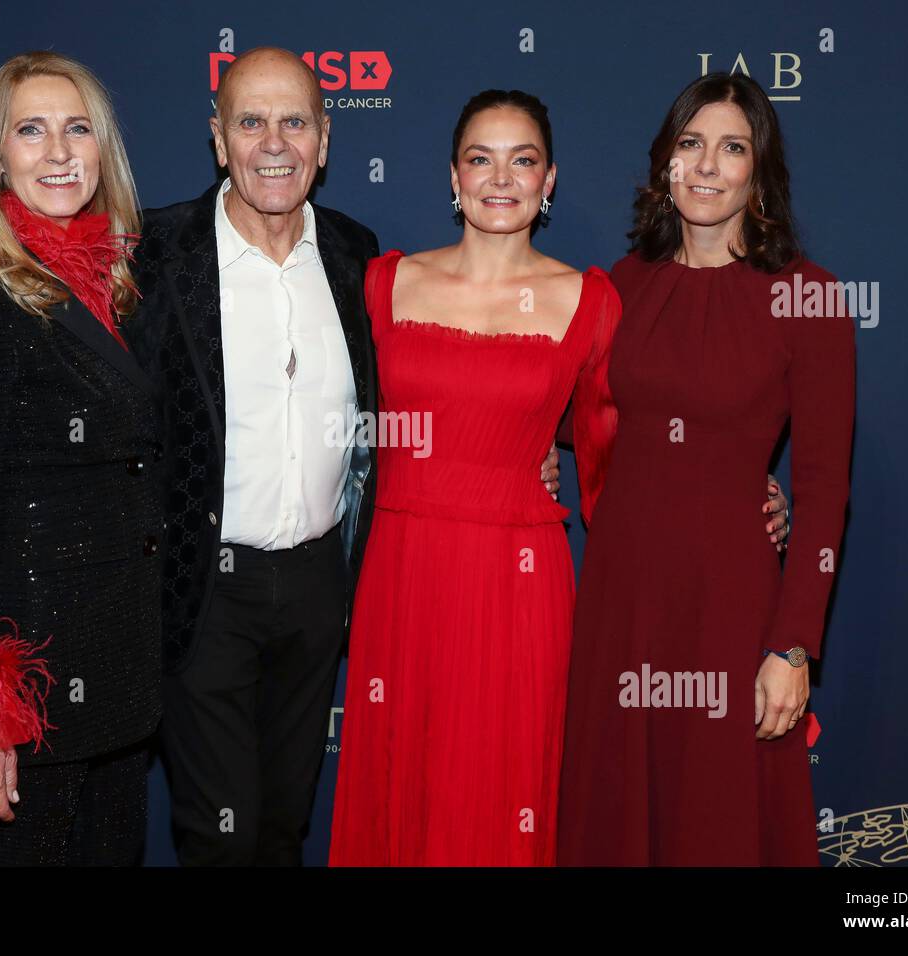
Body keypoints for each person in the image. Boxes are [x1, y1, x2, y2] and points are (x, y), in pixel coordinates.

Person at [123, 48, 563, 866]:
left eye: (294, 121)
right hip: (202, 586)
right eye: (251, 122)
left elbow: (459, 387)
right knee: (220, 833)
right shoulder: (153, 257)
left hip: (325, 586)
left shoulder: (362, 262)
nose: (273, 143)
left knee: (286, 826)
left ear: (325, 141)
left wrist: (533, 454)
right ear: (219, 139)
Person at [328, 89, 789, 866]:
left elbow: (625, 442)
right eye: (480, 158)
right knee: (398, 783)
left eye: (523, 160)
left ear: (550, 183)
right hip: (402, 575)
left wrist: (741, 487)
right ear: (453, 175)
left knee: (504, 791)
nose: (499, 178)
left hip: (520, 584)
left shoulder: (594, 300)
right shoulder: (381, 284)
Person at [557, 72, 855, 866]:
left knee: (718, 813)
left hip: (732, 601)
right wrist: (531, 468)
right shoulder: (620, 287)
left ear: (761, 170)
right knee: (618, 804)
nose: (708, 166)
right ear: (665, 163)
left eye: (733, 148)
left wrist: (793, 647)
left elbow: (824, 488)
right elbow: (564, 415)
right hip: (622, 592)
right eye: (691, 144)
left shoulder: (809, 297)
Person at [0, 51, 164, 866]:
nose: (58, 152)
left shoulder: (109, 283)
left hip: (116, 691)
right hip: (29, 712)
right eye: (32, 131)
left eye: (77, 128)